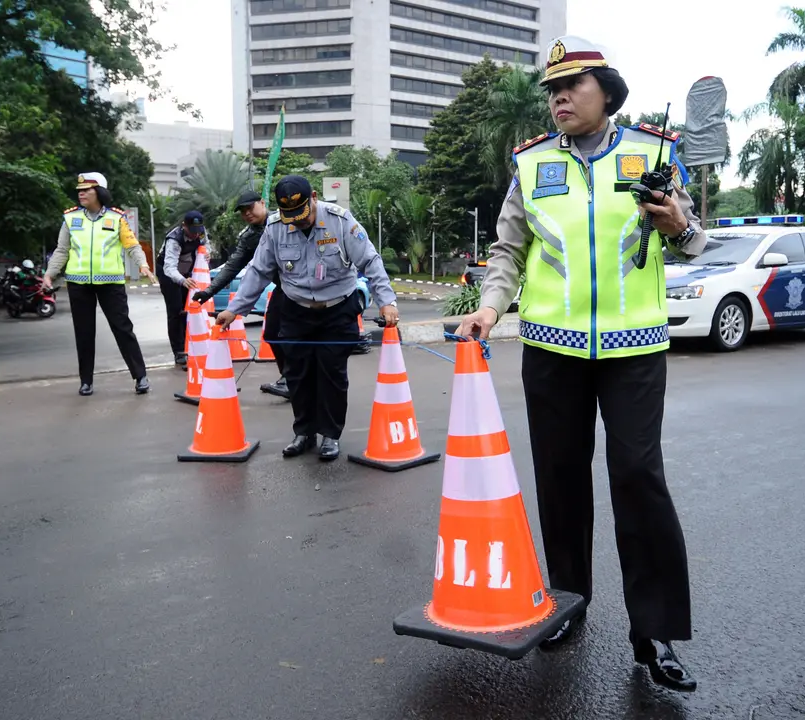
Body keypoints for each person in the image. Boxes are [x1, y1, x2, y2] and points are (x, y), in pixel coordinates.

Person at [455, 36, 707, 693]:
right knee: (560, 479)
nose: (560, 98)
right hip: (551, 348)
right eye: (553, 90)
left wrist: (677, 225)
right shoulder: (532, 162)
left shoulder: (654, 153)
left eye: (573, 87)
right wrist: (489, 308)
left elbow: (694, 240)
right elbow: (508, 251)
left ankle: (654, 630)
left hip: (634, 349)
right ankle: (567, 601)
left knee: (638, 476)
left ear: (608, 93)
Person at [215, 175, 398, 461]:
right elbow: (259, 271)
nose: (298, 222)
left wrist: (387, 302)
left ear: (313, 197)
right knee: (297, 374)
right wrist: (234, 309)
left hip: (337, 308)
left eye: (302, 215)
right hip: (296, 309)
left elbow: (370, 260)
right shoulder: (275, 228)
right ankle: (304, 432)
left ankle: (330, 435)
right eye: (291, 217)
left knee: (331, 375)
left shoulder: (340, 221)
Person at [43, 172, 156, 396]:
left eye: (87, 190)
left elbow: (132, 246)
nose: (81, 193)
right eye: (79, 190)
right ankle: (86, 381)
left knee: (122, 328)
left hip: (111, 283)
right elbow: (62, 250)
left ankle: (140, 376)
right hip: (78, 283)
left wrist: (143, 265)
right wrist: (50, 273)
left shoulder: (117, 218)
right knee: (84, 333)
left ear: (99, 192)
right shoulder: (70, 218)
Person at [194, 190, 291, 400]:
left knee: (300, 336)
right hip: (284, 288)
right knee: (272, 332)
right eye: (243, 211)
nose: (247, 213)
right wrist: (209, 291)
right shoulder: (249, 237)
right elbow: (233, 266)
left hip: (306, 286)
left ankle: (303, 381)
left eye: (250, 208)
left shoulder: (285, 222)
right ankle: (290, 380)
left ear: (262, 203)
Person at [156, 210, 210, 369]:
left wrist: (207, 253)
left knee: (189, 309)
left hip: (187, 272)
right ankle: (179, 351)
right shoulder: (174, 239)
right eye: (192, 231)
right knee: (175, 311)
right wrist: (182, 280)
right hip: (168, 273)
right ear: (183, 226)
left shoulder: (200, 232)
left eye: (198, 231)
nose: (195, 235)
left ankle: (190, 346)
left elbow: (206, 245)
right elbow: (169, 267)